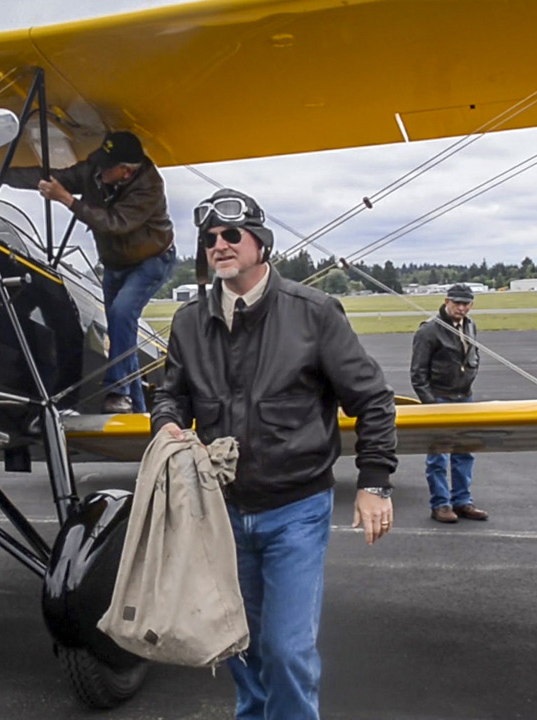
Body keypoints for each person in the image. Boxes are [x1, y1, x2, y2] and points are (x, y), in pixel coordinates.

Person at [150, 188, 398, 720]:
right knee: (240, 644)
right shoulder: (190, 322)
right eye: (210, 238)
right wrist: (168, 422)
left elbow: (373, 400)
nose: (219, 245)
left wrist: (374, 483)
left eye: (231, 235)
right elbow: (171, 392)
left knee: (287, 651)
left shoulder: (314, 314)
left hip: (295, 510)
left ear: (260, 243)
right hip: (220, 512)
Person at [0, 131, 175, 414]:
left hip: (150, 262)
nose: (99, 169)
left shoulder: (150, 187)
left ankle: (118, 392)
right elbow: (47, 176)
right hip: (114, 264)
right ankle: (137, 407)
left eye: (108, 166)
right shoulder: (97, 169)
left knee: (121, 315)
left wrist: (66, 200)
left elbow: (114, 223)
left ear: (126, 171)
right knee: (123, 329)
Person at [410, 283, 489, 523]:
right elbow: (417, 373)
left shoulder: (470, 325)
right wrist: (431, 404)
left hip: (464, 397)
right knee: (438, 455)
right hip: (439, 398)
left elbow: (472, 356)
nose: (461, 308)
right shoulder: (429, 331)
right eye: (457, 303)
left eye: (466, 304)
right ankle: (441, 504)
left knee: (465, 452)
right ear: (446, 302)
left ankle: (462, 501)